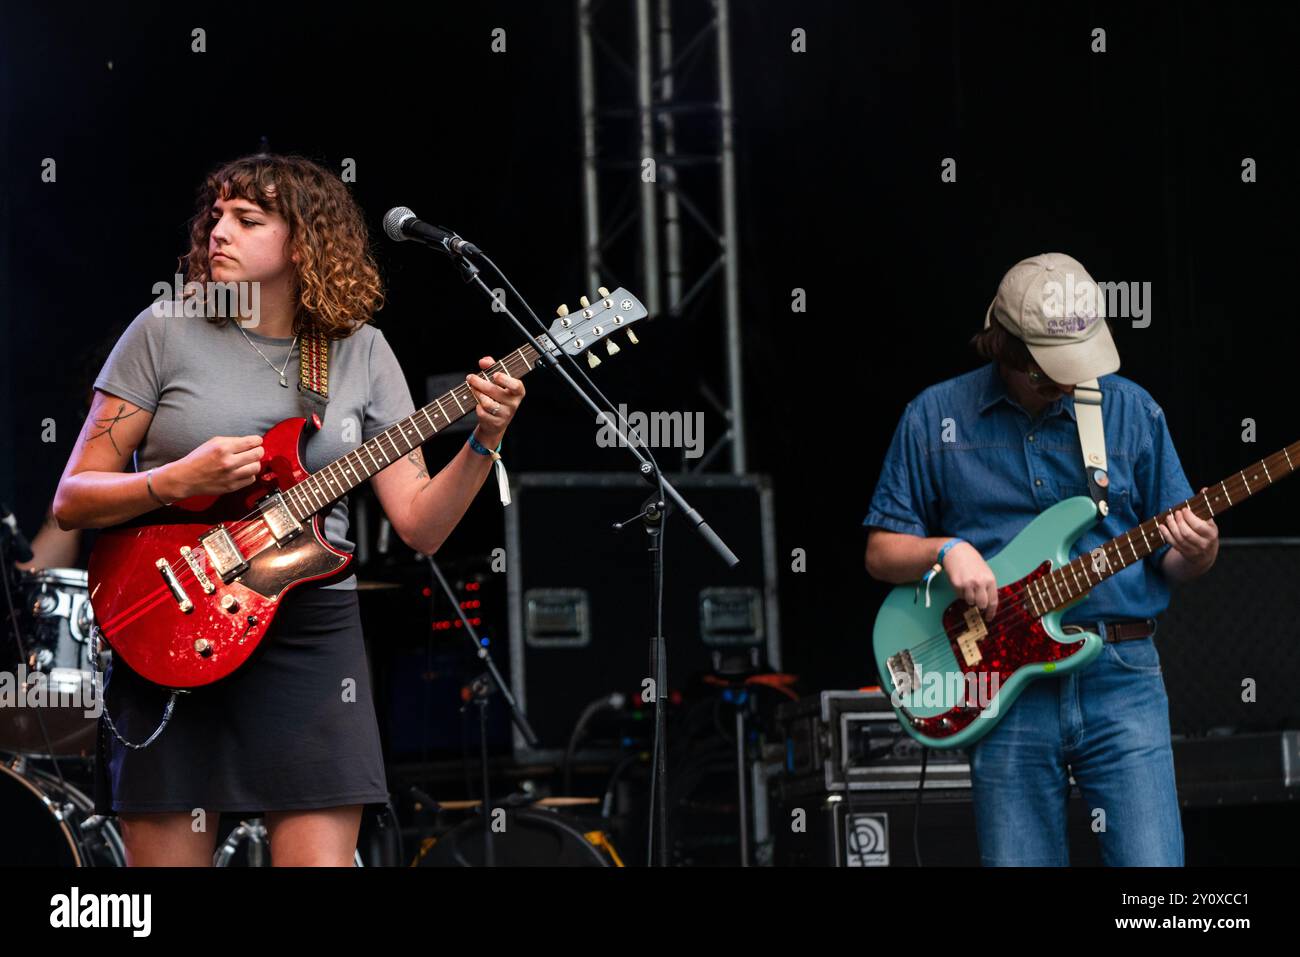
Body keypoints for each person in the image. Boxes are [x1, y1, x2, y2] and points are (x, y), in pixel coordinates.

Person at [51, 153, 526, 866]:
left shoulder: (360, 351)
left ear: (303, 241)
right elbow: (72, 499)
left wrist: (485, 439)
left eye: (247, 219)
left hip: (308, 632)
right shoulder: (163, 329)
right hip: (172, 614)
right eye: (215, 216)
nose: (219, 231)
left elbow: (421, 525)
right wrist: (177, 479)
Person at [863, 252, 1218, 866]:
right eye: (1048, 368)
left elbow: (1173, 563)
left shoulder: (1131, 410)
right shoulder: (934, 416)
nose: (1068, 377)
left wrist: (1200, 551)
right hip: (1002, 685)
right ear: (1006, 348)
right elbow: (880, 554)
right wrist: (946, 549)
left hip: (1122, 674)